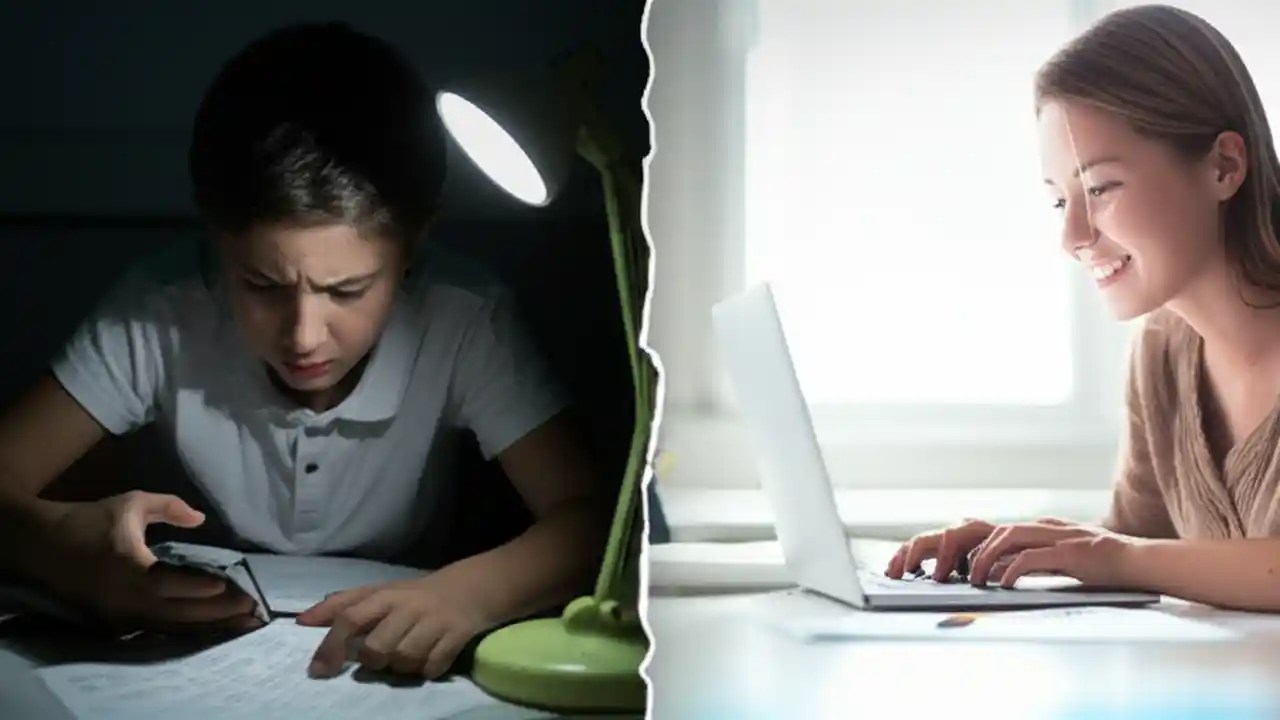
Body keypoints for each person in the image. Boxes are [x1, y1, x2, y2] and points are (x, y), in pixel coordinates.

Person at [0, 22, 608, 680]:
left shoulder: (463, 318)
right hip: (193, 657)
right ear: (213, 236)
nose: (303, 335)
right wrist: (57, 547)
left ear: (414, 246)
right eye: (261, 284)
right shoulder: (161, 307)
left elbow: (592, 516)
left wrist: (471, 594)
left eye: (347, 289)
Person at [884, 4, 1280, 612]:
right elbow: (1141, 554)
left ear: (1224, 166)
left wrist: (1114, 555)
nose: (1072, 236)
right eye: (1058, 200)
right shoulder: (1162, 354)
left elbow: (1129, 557)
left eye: (1100, 188)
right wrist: (1014, 551)